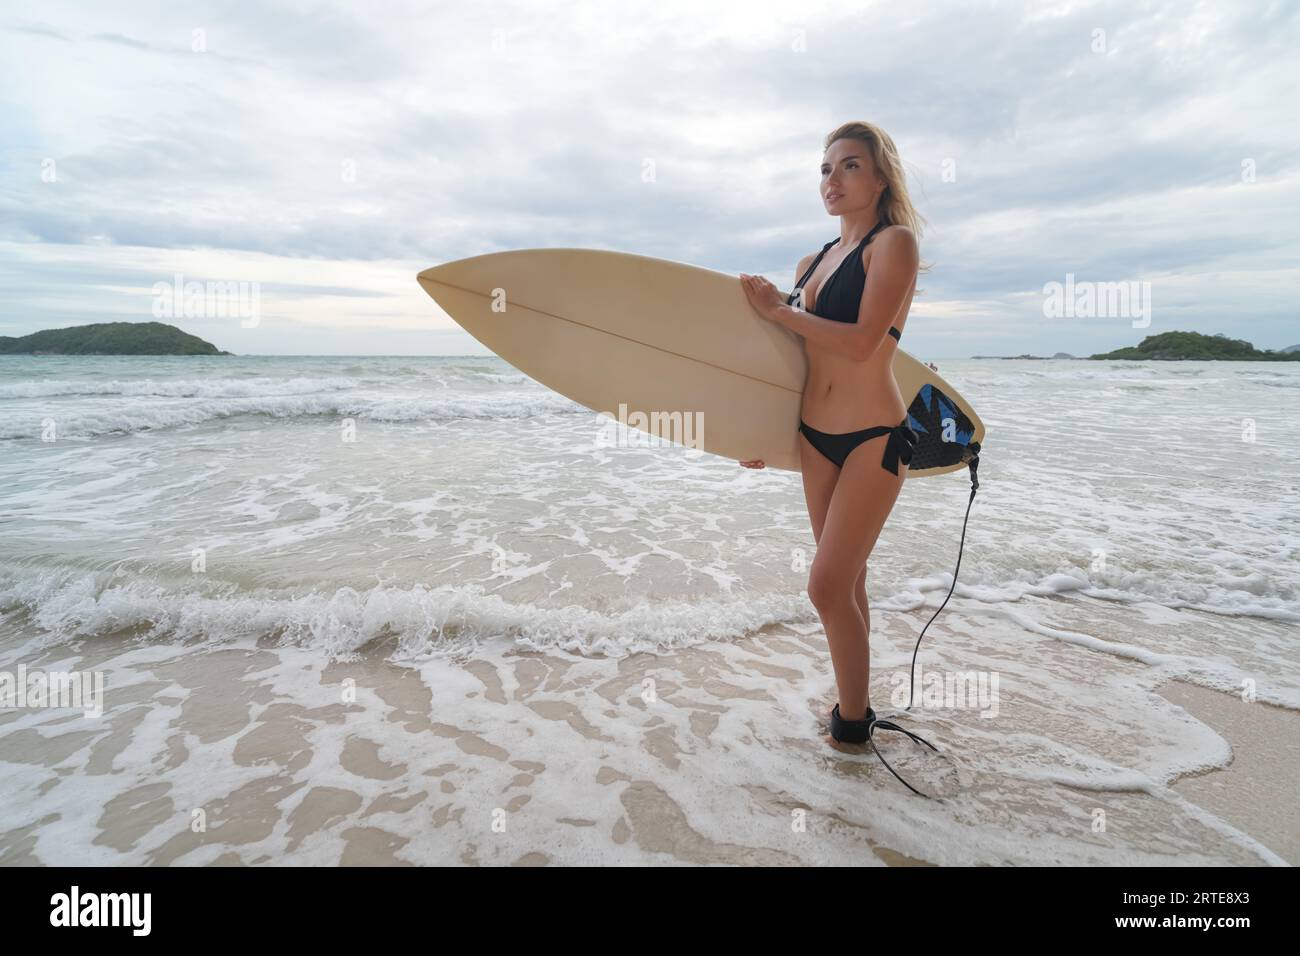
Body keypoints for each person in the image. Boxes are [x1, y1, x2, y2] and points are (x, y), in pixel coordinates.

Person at [738, 121, 930, 757]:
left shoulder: (892, 244)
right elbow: (795, 363)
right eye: (825, 169)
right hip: (815, 437)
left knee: (824, 586)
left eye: (849, 166)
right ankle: (857, 701)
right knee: (848, 584)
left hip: (875, 437)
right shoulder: (811, 262)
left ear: (879, 178)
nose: (833, 180)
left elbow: (860, 342)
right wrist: (751, 432)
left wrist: (778, 311)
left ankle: (852, 726)